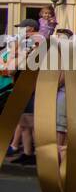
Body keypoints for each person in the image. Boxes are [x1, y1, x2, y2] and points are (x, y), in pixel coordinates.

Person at [3, 20, 41, 166]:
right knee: (24, 122)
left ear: (31, 28)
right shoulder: (23, 44)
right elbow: (11, 69)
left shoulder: (37, 42)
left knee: (32, 122)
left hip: (31, 87)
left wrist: (18, 54)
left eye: (23, 28)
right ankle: (27, 153)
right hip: (20, 86)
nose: (21, 31)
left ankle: (38, 153)